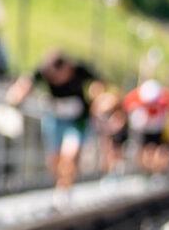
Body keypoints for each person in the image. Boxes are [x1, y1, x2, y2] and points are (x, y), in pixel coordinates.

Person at [6, 49, 108, 192]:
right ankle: (60, 183)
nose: (56, 81)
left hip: (76, 120)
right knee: (53, 160)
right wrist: (17, 95)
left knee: (70, 155)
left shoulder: (79, 69)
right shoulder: (45, 71)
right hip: (54, 118)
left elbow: (99, 84)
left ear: (67, 68)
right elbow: (25, 84)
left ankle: (64, 189)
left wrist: (96, 99)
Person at [123, 78, 169, 174]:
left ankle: (161, 171)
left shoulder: (165, 99)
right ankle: (147, 172)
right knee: (146, 153)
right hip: (143, 131)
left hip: (158, 130)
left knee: (161, 152)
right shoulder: (134, 100)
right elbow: (127, 108)